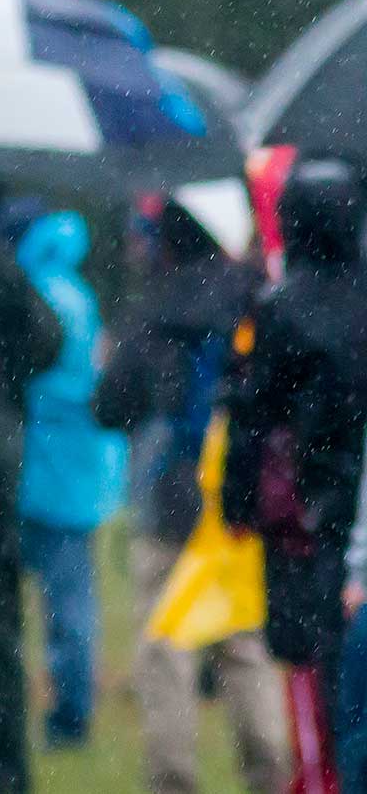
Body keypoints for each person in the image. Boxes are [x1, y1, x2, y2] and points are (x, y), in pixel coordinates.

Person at [97, 196, 288, 794]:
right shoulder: (252, 299)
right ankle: (271, 772)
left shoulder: (158, 308)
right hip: (237, 496)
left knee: (166, 643)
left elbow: (109, 405)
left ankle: (173, 780)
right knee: (244, 641)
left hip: (167, 495)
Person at [233, 156, 367, 779]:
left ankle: (322, 775)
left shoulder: (282, 307)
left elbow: (254, 416)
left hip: (305, 516)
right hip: (344, 502)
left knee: (312, 662)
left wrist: (240, 498)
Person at [14, 209, 123, 748]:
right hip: (75, 469)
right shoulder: (81, 296)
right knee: (71, 600)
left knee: (40, 601)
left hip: (38, 465)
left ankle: (54, 713)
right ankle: (71, 710)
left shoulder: (36, 296)